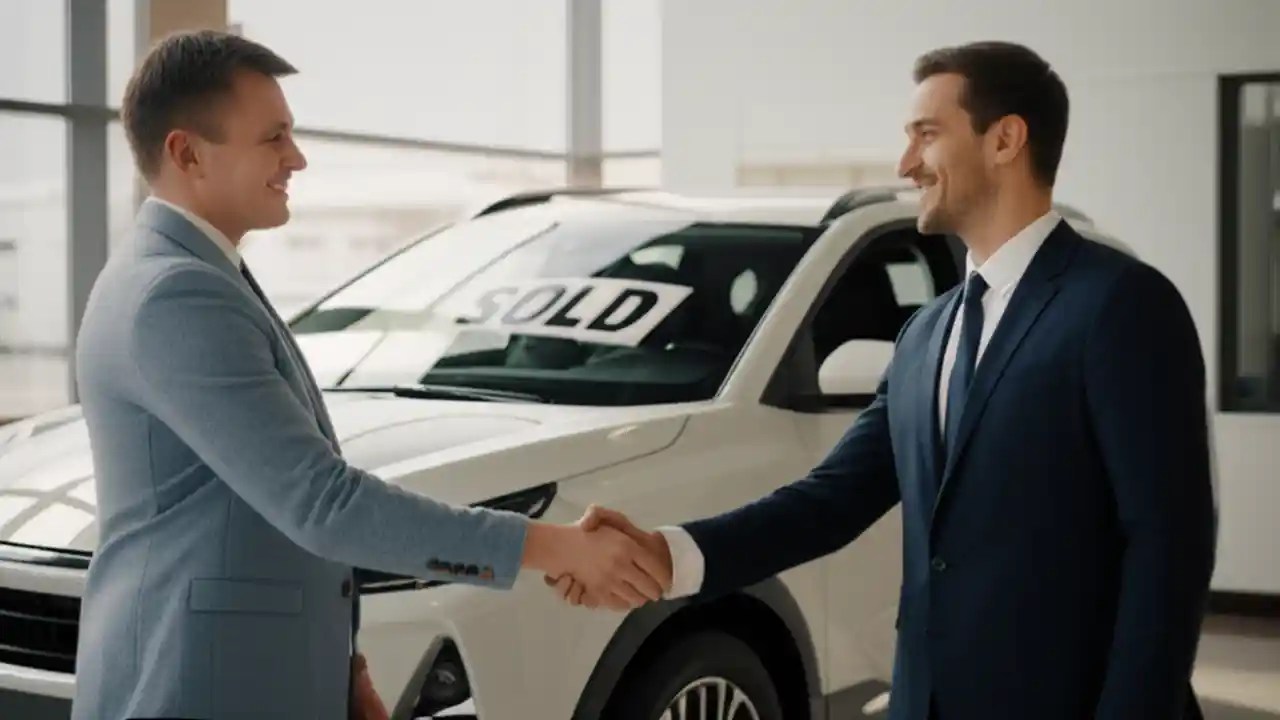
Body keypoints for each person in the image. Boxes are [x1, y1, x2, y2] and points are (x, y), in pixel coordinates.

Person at [550, 41, 1216, 720]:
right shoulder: (925, 333)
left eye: (927, 135)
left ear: (1005, 139)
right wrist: (667, 554)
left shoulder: (1121, 305)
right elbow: (830, 501)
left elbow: (1168, 544)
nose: (906, 165)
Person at [72, 30, 669, 720]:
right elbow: (323, 504)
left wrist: (338, 675)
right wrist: (555, 546)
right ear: (187, 153)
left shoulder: (196, 274)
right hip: (193, 687)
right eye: (274, 138)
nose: (296, 158)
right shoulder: (175, 296)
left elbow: (249, 512)